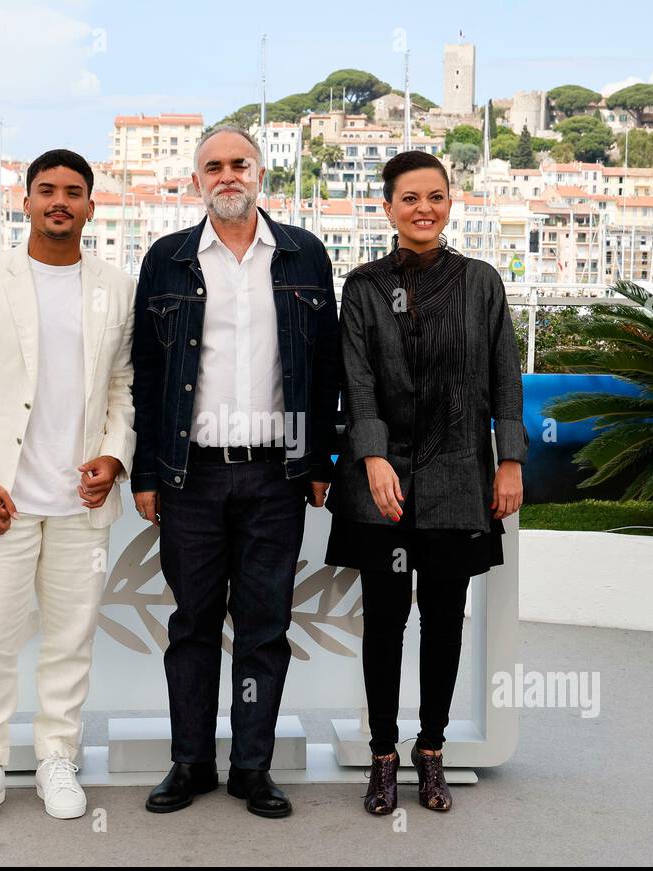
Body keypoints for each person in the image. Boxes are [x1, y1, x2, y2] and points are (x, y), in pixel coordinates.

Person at [130, 126, 341, 818]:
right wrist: (146, 473)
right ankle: (190, 762)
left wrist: (318, 459)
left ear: (260, 175)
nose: (227, 175)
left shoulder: (305, 253)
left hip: (276, 477)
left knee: (264, 625)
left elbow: (324, 371)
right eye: (213, 166)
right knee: (192, 623)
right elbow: (148, 375)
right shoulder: (167, 260)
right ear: (197, 181)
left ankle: (252, 766)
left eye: (239, 164)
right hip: (190, 476)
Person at [0, 149, 137, 824]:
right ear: (24, 201)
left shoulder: (114, 285)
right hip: (3, 501)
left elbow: (123, 387)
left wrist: (113, 457)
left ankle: (58, 757)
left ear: (90, 206)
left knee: (70, 641)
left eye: (73, 192)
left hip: (80, 500)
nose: (60, 201)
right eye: (47, 190)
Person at [323, 150, 527, 815]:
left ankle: (430, 750)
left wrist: (511, 460)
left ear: (450, 202)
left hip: (458, 478)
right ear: (387, 208)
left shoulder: (481, 283)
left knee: (444, 621)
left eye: (435, 196)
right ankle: (384, 756)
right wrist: (372, 457)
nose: (423, 208)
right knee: (384, 621)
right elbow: (353, 383)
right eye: (410, 198)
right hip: (379, 485)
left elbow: (505, 380)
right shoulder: (362, 287)